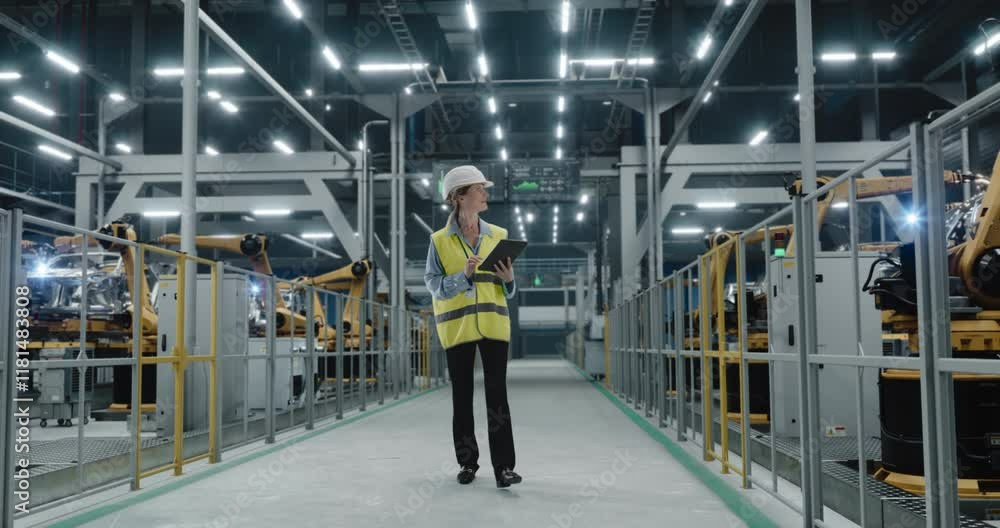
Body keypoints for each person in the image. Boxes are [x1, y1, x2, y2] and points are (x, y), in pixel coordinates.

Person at [424, 165, 523, 489]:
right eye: (479, 189)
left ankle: (504, 468)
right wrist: (461, 278)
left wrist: (510, 282)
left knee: (498, 398)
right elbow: (433, 284)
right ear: (460, 196)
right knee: (462, 398)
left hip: (494, 324)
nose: (485, 194)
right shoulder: (439, 241)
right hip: (457, 328)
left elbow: (508, 288)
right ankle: (468, 463)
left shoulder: (499, 235)